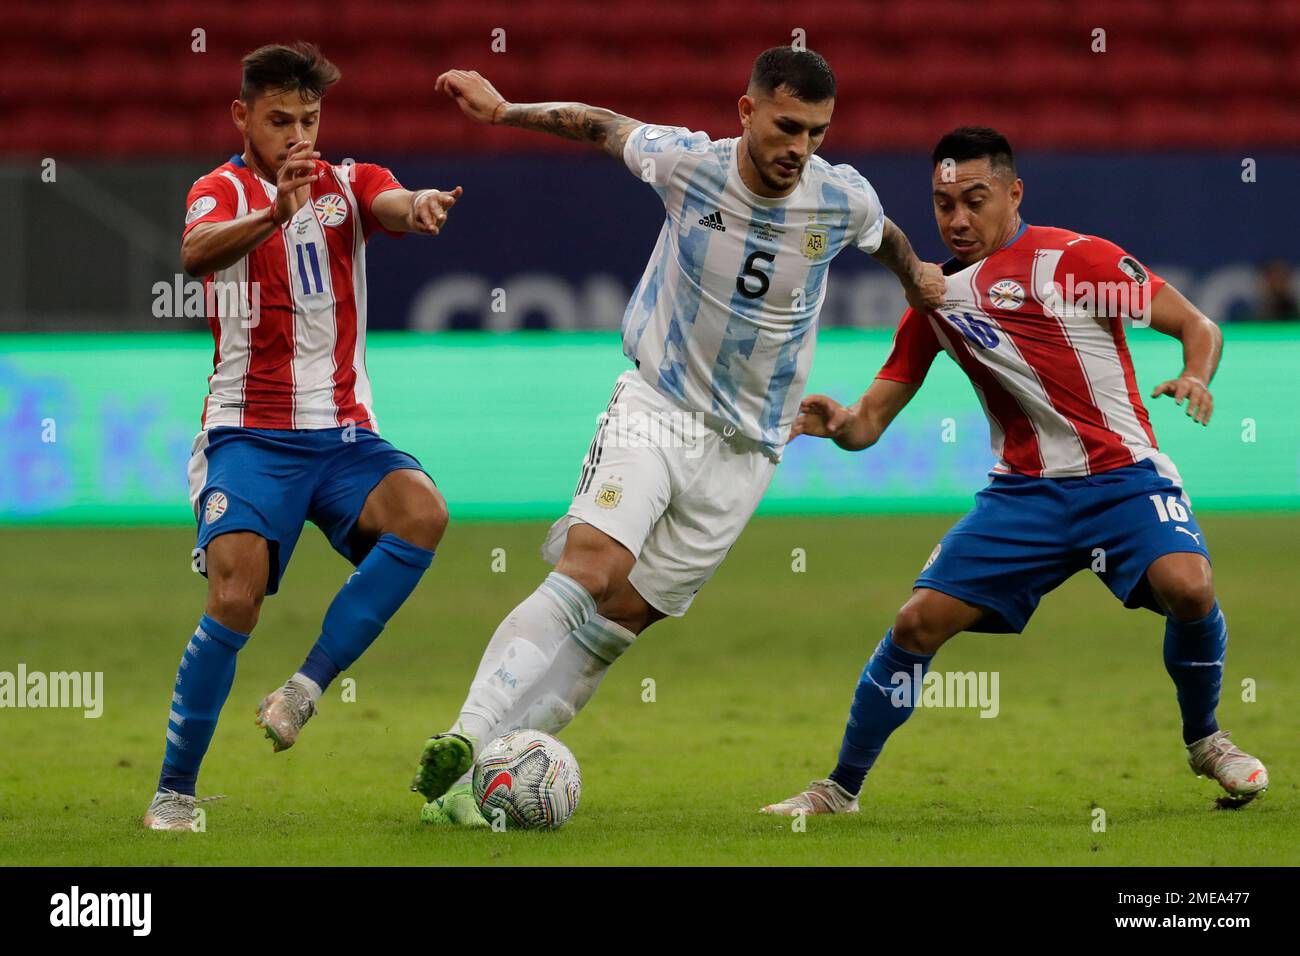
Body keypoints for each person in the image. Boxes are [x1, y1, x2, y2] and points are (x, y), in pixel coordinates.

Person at [412, 47, 946, 826]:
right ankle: (462, 737)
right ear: (747, 112)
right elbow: (600, 125)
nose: (800, 147)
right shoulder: (688, 164)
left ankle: (483, 773)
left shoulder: (839, 197)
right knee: (591, 570)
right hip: (656, 408)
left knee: (620, 621)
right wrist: (504, 112)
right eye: (788, 125)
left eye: (817, 132)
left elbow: (887, 235)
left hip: (748, 452)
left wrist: (914, 276)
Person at [761, 126, 1267, 817]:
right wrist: (838, 423)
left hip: (1123, 477)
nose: (958, 219)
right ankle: (839, 788)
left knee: (1189, 586)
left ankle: (1207, 739)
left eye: (975, 199)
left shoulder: (1075, 261)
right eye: (944, 206)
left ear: (1014, 192)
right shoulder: (934, 301)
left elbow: (1197, 325)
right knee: (916, 623)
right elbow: (871, 422)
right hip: (1023, 496)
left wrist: (1194, 375)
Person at [144, 42, 463, 831]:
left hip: (345, 435)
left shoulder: (347, 183)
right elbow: (193, 255)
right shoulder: (216, 190)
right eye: (280, 119)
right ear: (242, 115)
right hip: (248, 435)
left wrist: (419, 204)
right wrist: (272, 215)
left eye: (309, 119)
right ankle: (174, 792)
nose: (296, 134)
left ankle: (303, 690)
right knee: (235, 595)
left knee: (423, 513)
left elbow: (392, 201)